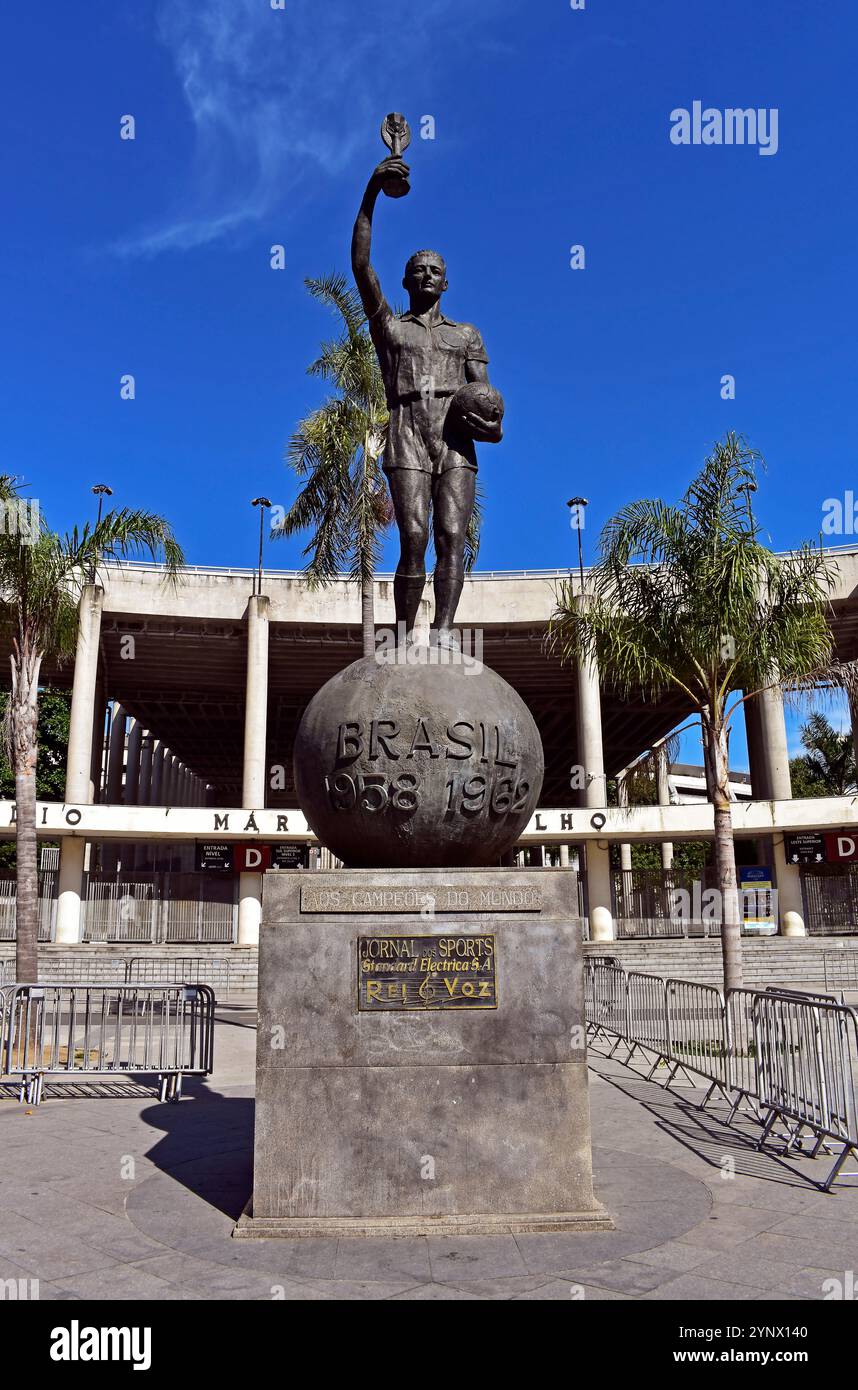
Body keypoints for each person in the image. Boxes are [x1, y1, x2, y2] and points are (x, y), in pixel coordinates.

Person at [351, 154, 502, 647]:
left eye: (435, 270)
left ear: (446, 281)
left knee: (451, 536)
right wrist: (373, 191)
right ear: (406, 281)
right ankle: (400, 633)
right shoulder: (391, 329)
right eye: (417, 270)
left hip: (455, 438)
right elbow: (360, 264)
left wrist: (492, 426)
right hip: (407, 430)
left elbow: (487, 402)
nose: (426, 276)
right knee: (413, 537)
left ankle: (441, 633)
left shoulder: (467, 334)